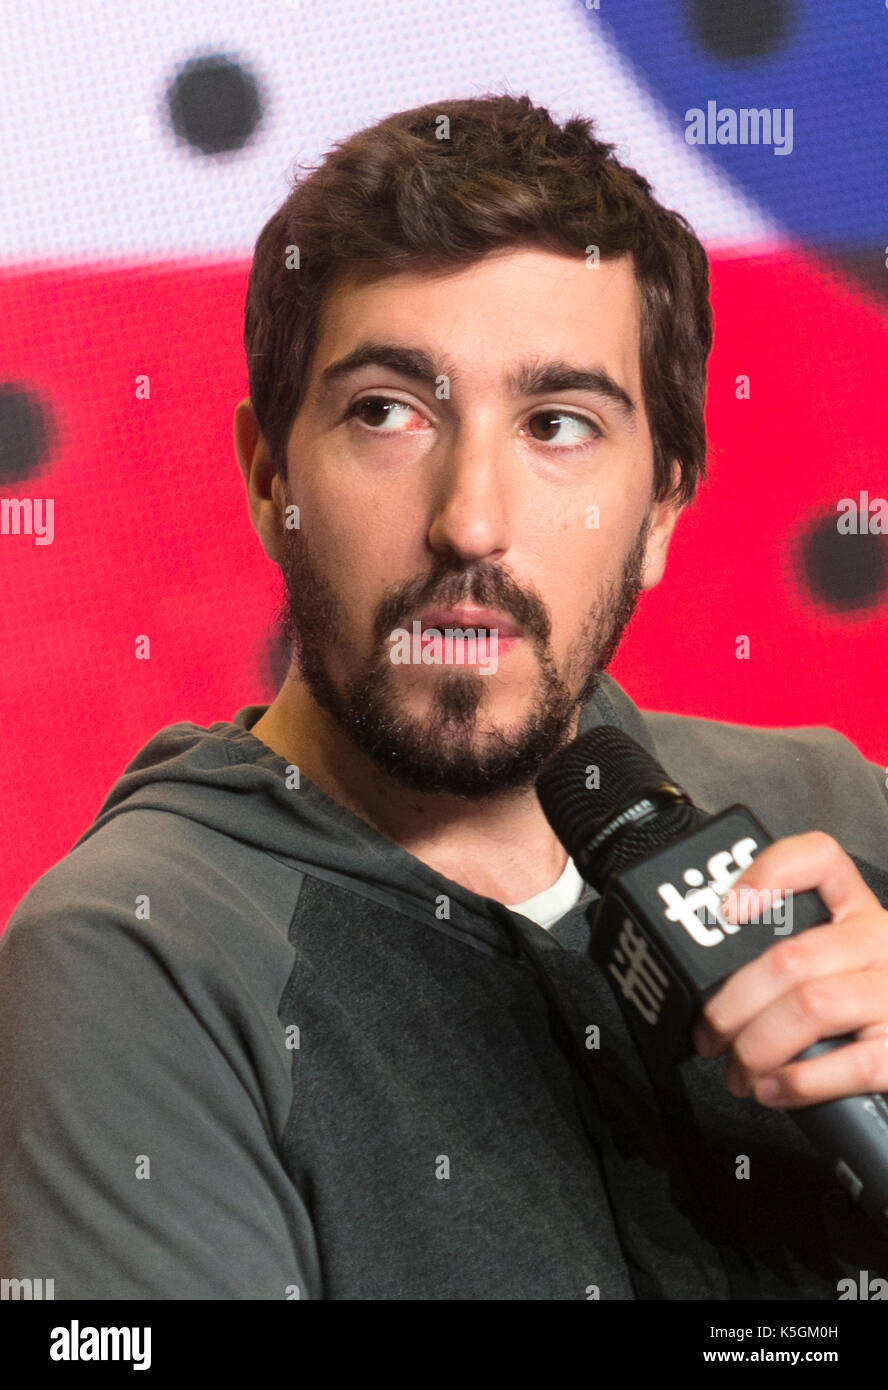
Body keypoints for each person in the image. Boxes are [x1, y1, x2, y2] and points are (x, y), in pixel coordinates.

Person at [2, 93, 887, 1301]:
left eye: (559, 423)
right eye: (389, 413)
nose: (470, 518)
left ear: (664, 511)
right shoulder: (138, 956)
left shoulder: (834, 813)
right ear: (270, 479)